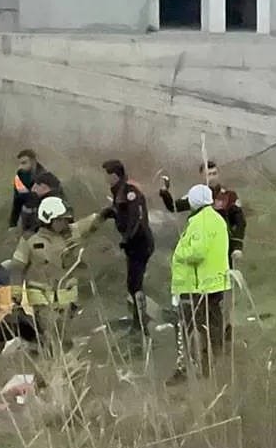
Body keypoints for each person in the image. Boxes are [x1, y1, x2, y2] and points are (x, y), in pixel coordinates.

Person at [159, 159, 247, 340]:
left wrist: (237, 246)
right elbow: (175, 206)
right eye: (209, 174)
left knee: (224, 290)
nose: (212, 177)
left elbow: (240, 222)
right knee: (206, 293)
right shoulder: (197, 196)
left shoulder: (228, 196)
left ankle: (226, 327)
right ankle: (205, 330)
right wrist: (164, 192)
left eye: (215, 173)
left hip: (224, 250)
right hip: (203, 253)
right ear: (202, 176)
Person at [6, 196, 106, 353]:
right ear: (48, 219)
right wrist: (16, 294)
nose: (64, 223)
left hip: (68, 304)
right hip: (43, 304)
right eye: (60, 220)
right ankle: (53, 370)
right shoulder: (29, 241)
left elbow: (89, 224)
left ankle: (63, 369)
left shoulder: (71, 233)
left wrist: (104, 214)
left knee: (65, 338)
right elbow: (17, 267)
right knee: (53, 337)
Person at [170, 184, 231, 379]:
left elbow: (197, 251)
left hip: (198, 284)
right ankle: (214, 365)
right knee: (212, 326)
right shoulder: (217, 219)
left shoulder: (200, 222)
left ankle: (190, 368)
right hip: (214, 282)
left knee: (188, 327)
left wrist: (179, 252)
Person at [98, 160, 155, 336]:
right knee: (132, 283)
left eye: (107, 175)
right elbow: (120, 211)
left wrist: (128, 238)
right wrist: (108, 213)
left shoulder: (130, 192)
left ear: (114, 175)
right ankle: (139, 319)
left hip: (140, 243)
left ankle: (140, 323)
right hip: (133, 245)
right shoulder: (119, 191)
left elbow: (136, 218)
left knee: (135, 283)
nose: (106, 179)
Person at [10, 149, 57, 228]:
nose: (20, 167)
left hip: (43, 221)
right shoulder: (19, 177)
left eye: (24, 163)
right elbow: (17, 201)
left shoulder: (48, 178)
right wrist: (12, 224)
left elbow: (56, 201)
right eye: (20, 163)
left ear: (33, 161)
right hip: (26, 219)